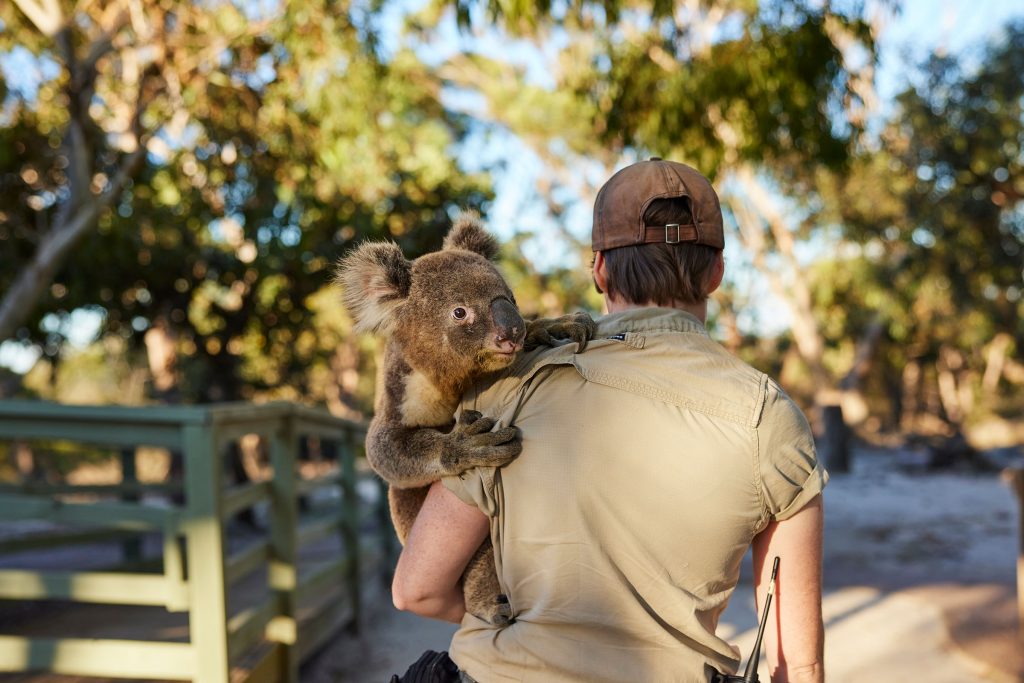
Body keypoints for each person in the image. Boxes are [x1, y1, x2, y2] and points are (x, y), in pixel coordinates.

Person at [391, 158, 827, 683]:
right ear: (716, 273)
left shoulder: (507, 391)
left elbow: (416, 589)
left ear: (599, 269)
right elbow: (793, 659)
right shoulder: (769, 417)